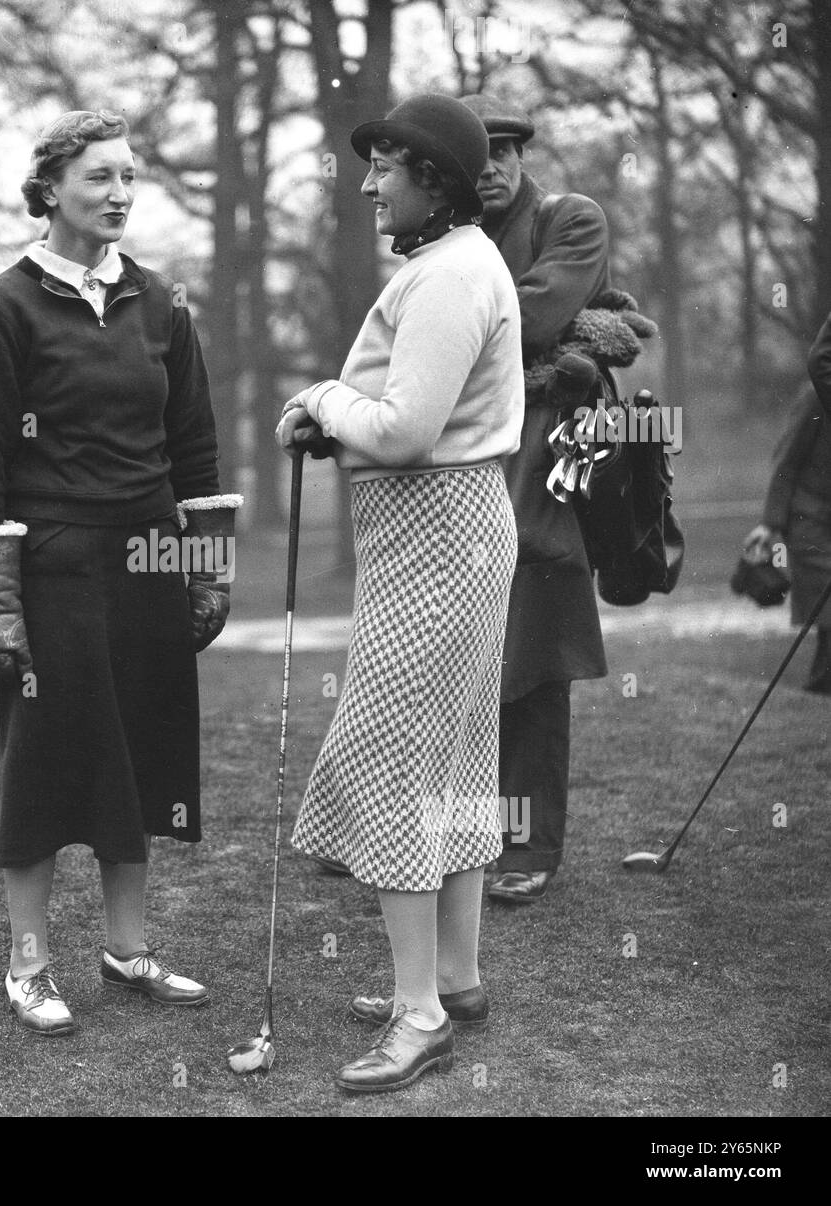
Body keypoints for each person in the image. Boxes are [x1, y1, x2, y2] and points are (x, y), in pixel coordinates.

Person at [0, 110, 240, 1036]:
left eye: (128, 179)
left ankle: (128, 948)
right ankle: (27, 965)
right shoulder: (2, 308)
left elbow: (193, 443)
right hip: (54, 569)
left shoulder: (159, 304)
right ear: (51, 187)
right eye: (99, 177)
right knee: (46, 763)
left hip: (148, 561)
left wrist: (206, 567)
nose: (118, 195)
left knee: (142, 753)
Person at [276, 94, 521, 1092]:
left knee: (390, 763)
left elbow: (407, 427)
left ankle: (420, 1016)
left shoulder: (453, 272)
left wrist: (319, 402)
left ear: (435, 178)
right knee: (451, 758)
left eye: (387, 166)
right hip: (446, 530)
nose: (370, 184)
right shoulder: (447, 266)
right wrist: (338, 424)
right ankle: (453, 978)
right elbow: (410, 417)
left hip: (439, 533)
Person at [457, 93, 612, 904]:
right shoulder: (450, 234)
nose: (489, 169)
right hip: (468, 463)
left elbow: (539, 314)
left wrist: (446, 336)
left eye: (503, 152)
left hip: (550, 469)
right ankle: (451, 834)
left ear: (521, 156)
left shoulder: (569, 219)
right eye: (474, 155)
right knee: (465, 657)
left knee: (537, 652)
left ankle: (527, 845)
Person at [744, 383, 831, 693]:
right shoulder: (817, 394)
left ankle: (821, 688)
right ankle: (820, 688)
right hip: (810, 521)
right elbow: (787, 461)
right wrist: (770, 523)